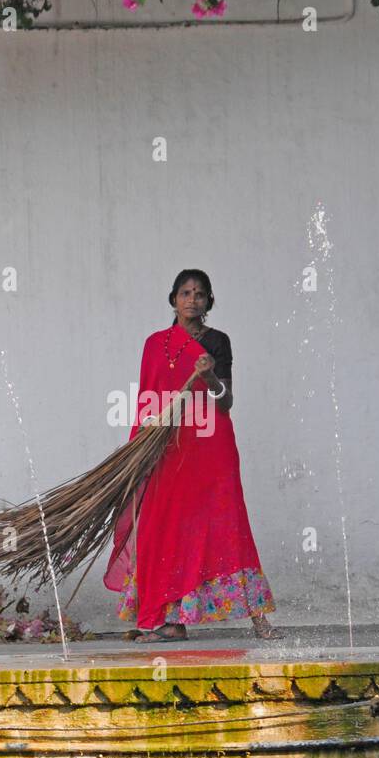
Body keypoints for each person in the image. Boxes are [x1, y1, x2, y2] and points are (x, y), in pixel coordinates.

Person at [103, 269, 283, 643]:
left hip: (210, 450)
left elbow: (226, 400)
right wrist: (142, 447)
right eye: (185, 293)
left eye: (200, 294)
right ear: (173, 299)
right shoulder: (155, 344)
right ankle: (171, 621)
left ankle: (259, 620)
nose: (192, 299)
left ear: (209, 302)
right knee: (165, 527)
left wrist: (211, 377)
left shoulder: (218, 342)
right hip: (167, 449)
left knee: (226, 525)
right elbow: (147, 400)